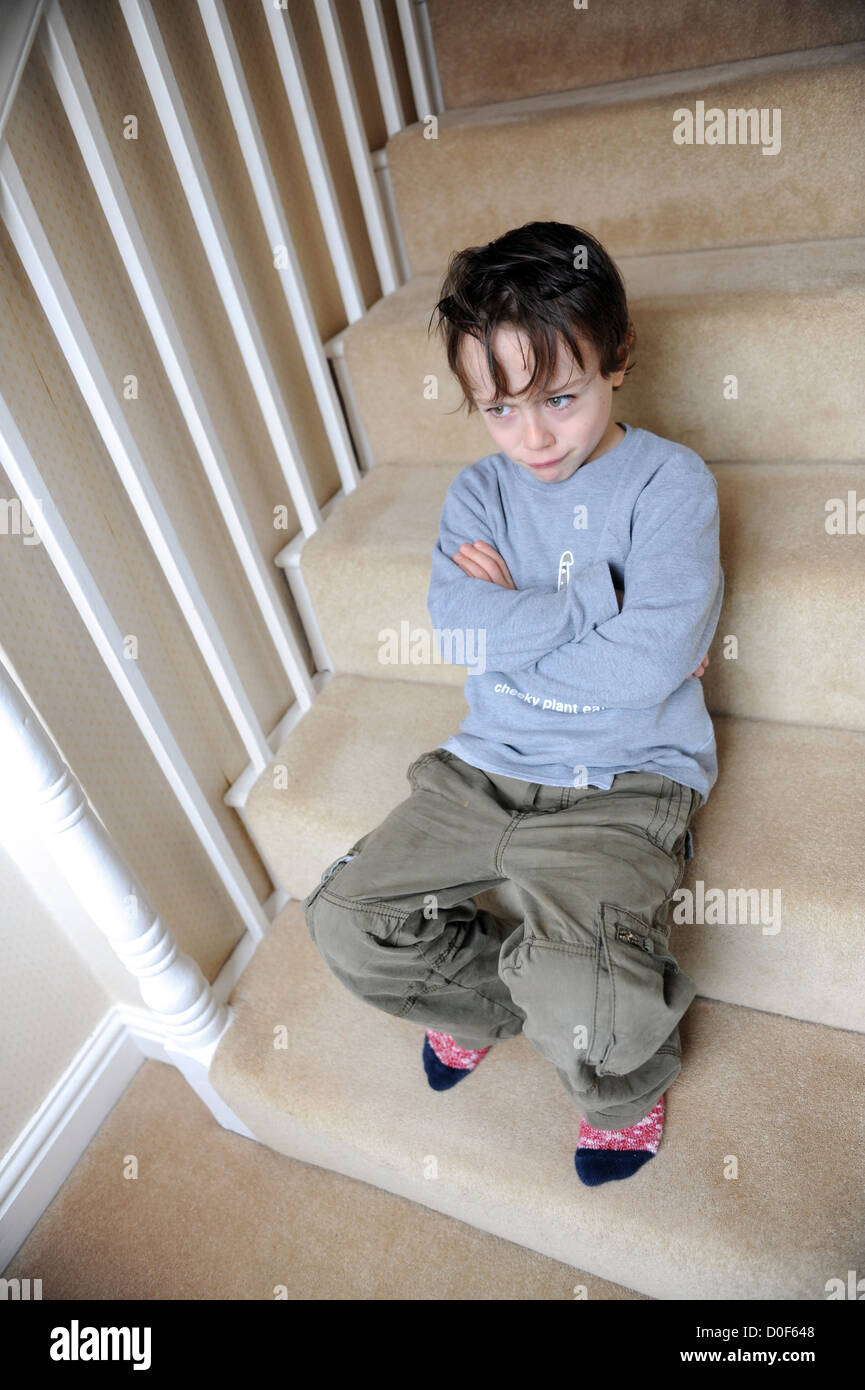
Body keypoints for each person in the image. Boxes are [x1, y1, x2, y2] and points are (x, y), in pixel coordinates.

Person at [303, 221, 723, 1186]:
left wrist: (515, 635)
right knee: (344, 919)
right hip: (485, 766)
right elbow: (459, 630)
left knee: (579, 987)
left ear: (618, 359)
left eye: (559, 399)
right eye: (498, 411)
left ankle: (622, 1090)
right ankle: (486, 1004)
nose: (531, 437)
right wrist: (588, 603)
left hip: (623, 779)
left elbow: (643, 668)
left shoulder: (669, 482)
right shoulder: (479, 494)